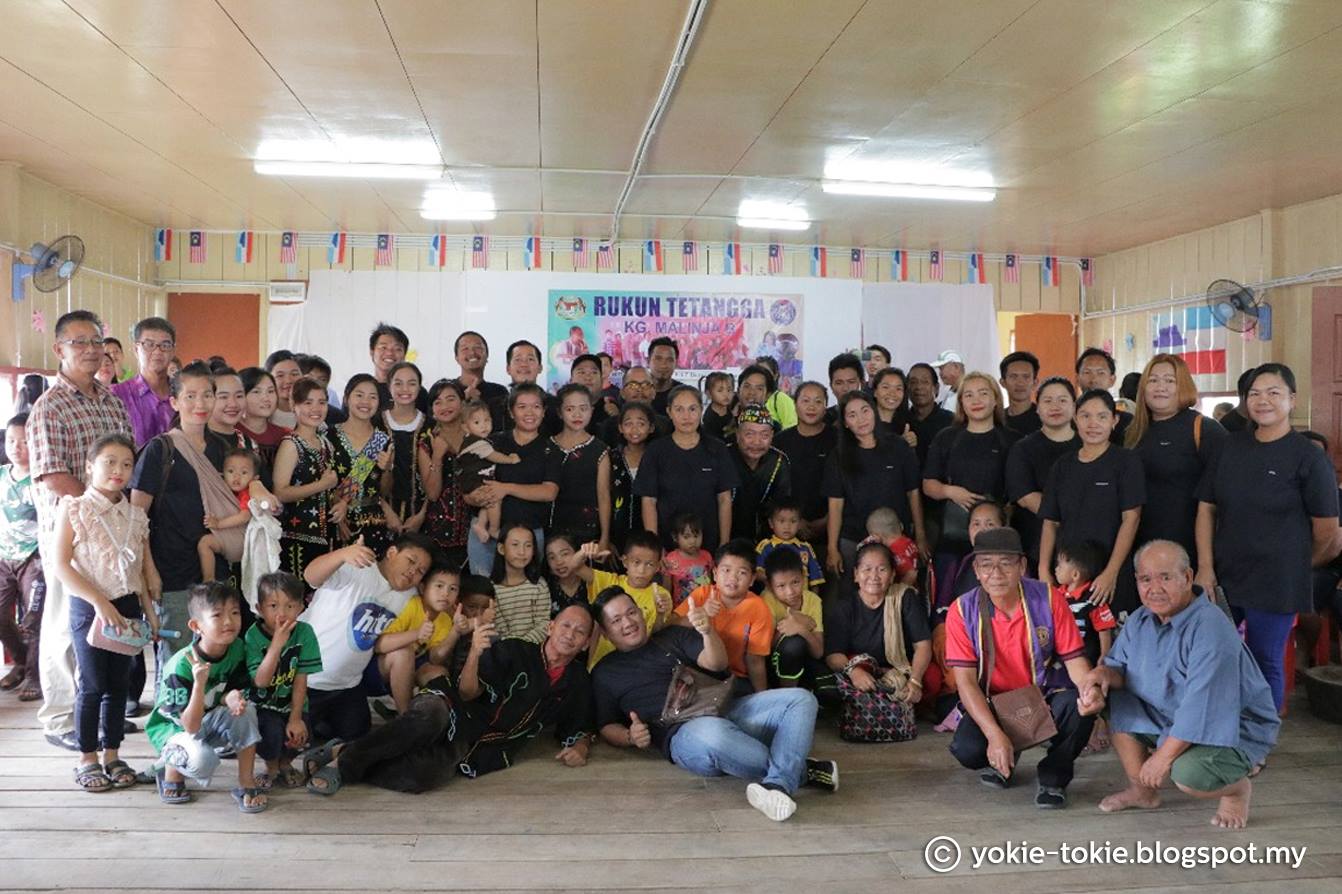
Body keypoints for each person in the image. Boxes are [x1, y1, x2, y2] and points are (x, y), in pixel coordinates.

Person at [592, 586, 836, 822]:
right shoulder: (605, 672)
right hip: (683, 733)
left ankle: (778, 785)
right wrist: (629, 737)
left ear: (640, 611)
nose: (628, 623)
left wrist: (708, 631)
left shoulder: (671, 637)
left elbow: (716, 663)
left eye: (631, 612)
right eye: (616, 620)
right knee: (715, 735)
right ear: (604, 632)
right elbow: (605, 725)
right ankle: (799, 769)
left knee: (801, 699)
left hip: (728, 708)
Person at [1087, 541, 1280, 830]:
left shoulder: (1210, 627)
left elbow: (1202, 706)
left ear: (1188, 577)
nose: (1154, 588)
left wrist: (1162, 757)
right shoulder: (1140, 619)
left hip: (1232, 728)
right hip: (1170, 714)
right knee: (1111, 697)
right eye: (1145, 579)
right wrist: (1100, 677)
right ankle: (1143, 792)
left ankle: (1236, 790)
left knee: (1189, 774)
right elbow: (1120, 670)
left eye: (1165, 577)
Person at [307, 604, 595, 795]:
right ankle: (343, 767)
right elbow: (469, 693)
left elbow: (577, 727)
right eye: (566, 626)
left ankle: (344, 751)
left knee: (421, 777)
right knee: (430, 715)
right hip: (455, 705)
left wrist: (580, 747)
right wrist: (474, 654)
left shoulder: (577, 679)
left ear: (585, 644)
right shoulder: (515, 650)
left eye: (580, 632)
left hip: (482, 744)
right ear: (550, 627)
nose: (570, 635)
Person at [1195, 363, 1342, 712]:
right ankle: (1221, 728)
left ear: (1292, 399)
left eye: (1273, 393)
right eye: (1255, 394)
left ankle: (1259, 741)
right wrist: (1205, 567)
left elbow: (1327, 531)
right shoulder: (1230, 447)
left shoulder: (1307, 457)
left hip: (1276, 582)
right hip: (1226, 574)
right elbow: (1206, 508)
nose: (1263, 401)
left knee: (1266, 660)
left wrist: (1295, 564)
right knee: (1217, 657)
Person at [27, 310, 133, 751]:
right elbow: (53, 474)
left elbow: (128, 455)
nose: (90, 350)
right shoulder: (49, 405)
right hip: (70, 534)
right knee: (63, 628)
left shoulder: (110, 400)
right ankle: (60, 718)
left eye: (96, 341)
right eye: (79, 343)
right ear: (59, 350)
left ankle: (101, 715)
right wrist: (95, 512)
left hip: (113, 531)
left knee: (104, 623)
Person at [944, 528, 1105, 808]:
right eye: (986, 564)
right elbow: (966, 683)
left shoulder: (1049, 599)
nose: (996, 573)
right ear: (976, 570)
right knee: (967, 750)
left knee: (1080, 705)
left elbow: (1076, 663)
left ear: (1022, 566)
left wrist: (1089, 691)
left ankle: (1054, 777)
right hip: (996, 703)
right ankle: (1004, 753)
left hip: (1045, 696)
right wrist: (994, 735)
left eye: (1006, 563)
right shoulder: (961, 611)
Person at [53, 433, 159, 791]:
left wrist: (150, 612)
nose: (118, 470)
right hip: (89, 606)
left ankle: (112, 754)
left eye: (126, 464)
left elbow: (143, 570)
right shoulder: (74, 508)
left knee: (119, 684)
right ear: (89, 466)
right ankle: (87, 758)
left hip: (128, 605)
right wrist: (99, 602)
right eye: (109, 462)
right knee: (92, 684)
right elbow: (61, 565)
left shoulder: (135, 515)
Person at [299, 532, 432, 742]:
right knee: (294, 739)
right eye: (410, 561)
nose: (412, 572)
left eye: (420, 571)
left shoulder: (409, 596)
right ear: (391, 552)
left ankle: (405, 724)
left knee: (358, 738)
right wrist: (342, 554)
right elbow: (310, 576)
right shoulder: (359, 565)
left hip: (348, 685)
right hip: (306, 680)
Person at [146, 582, 265, 811]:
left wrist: (231, 697)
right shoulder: (181, 665)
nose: (229, 621)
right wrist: (199, 683)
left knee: (246, 710)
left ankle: (246, 783)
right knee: (202, 762)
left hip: (208, 718)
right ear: (196, 625)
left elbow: (228, 690)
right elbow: (189, 726)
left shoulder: (237, 648)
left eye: (234, 613)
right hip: (175, 729)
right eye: (217, 615)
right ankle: (171, 773)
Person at [1038, 389, 1146, 616]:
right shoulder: (1062, 466)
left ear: (1114, 421)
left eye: (1102, 416)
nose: (1093, 423)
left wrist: (1111, 572)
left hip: (1109, 570)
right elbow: (1050, 522)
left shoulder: (1126, 462)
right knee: (1072, 640)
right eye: (1085, 416)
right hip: (1069, 576)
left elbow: (1131, 519)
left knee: (1111, 639)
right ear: (1075, 419)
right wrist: (1043, 570)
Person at [923, 371, 1019, 607]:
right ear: (961, 403)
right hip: (953, 534)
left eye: (983, 393)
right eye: (969, 395)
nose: (976, 400)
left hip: (997, 536)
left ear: (996, 399)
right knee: (949, 603)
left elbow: (1019, 491)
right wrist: (950, 491)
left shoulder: (1011, 440)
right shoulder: (947, 437)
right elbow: (928, 485)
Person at [1125, 354, 1227, 562]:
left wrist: (1207, 563)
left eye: (1170, 381)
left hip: (1189, 549)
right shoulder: (1132, 431)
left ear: (1183, 386)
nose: (1160, 387)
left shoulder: (1205, 429)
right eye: (1153, 380)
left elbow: (1223, 496)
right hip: (1139, 547)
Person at [824, 542, 931, 728]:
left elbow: (922, 644)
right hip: (864, 668)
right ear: (856, 574)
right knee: (837, 684)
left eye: (882, 569)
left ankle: (906, 705)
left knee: (933, 679)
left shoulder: (905, 598)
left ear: (892, 576)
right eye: (867, 569)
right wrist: (854, 672)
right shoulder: (844, 607)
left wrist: (915, 680)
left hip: (901, 667)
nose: (874, 576)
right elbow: (834, 654)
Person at [824, 391, 926, 584]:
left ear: (874, 412)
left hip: (896, 540)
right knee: (854, 597)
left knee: (899, 595)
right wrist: (832, 548)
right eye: (852, 415)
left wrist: (920, 535)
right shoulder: (838, 456)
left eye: (865, 411)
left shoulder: (898, 447)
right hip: (854, 538)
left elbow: (913, 492)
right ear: (845, 423)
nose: (861, 419)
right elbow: (835, 506)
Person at [466, 384, 561, 576]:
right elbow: (468, 480)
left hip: (528, 534)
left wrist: (506, 488)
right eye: (522, 406)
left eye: (536, 406)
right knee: (482, 593)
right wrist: (475, 496)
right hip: (485, 533)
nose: (529, 412)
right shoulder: (492, 442)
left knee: (523, 593)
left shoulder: (551, 448)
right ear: (511, 412)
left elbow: (549, 492)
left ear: (544, 412)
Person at [244, 571, 322, 790]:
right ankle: (271, 767)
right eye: (273, 606)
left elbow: (300, 678)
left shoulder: (305, 632)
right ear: (259, 608)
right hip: (262, 705)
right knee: (270, 732)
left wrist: (296, 717)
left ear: (301, 608)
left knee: (302, 732)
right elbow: (260, 681)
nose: (282, 614)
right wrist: (277, 645)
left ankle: (286, 764)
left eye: (290, 606)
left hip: (291, 703)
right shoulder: (252, 636)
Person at [637, 385, 738, 552]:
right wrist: (655, 546)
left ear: (701, 410)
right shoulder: (656, 451)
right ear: (669, 412)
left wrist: (724, 543)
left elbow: (724, 499)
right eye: (679, 409)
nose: (686, 416)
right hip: (667, 544)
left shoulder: (716, 449)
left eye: (692, 409)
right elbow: (648, 501)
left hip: (708, 544)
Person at [676, 539, 775, 694]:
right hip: (698, 670)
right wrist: (701, 612)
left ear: (752, 579)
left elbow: (755, 661)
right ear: (715, 573)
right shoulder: (702, 595)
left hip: (734, 677)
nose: (733, 578)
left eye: (742, 572)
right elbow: (673, 625)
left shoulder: (759, 608)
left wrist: (761, 697)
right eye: (726, 570)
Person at [1005, 377, 1081, 566]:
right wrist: (1071, 519)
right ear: (1037, 408)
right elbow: (1025, 496)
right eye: (1047, 401)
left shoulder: (1088, 444)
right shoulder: (1023, 448)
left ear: (1074, 407)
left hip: (1085, 542)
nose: (1055, 406)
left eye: (1063, 400)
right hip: (1035, 543)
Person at [273, 379, 339, 581]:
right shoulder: (291, 444)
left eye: (322, 402)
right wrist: (322, 485)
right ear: (294, 405)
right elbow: (280, 492)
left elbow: (332, 487)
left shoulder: (326, 443)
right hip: (296, 537)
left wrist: (340, 503)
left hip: (326, 536)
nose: (316, 408)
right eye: (308, 403)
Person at [575, 531, 673, 666]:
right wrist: (584, 552)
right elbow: (574, 567)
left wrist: (661, 615)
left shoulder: (661, 595)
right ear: (625, 562)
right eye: (636, 562)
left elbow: (656, 635)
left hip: (637, 665)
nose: (641, 570)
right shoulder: (608, 581)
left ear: (657, 567)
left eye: (649, 564)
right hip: (602, 663)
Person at [0, 414, 44, 701]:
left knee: (34, 617)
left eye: (24, 441)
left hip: (35, 557)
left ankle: (34, 674)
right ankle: (19, 659)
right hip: (4, 556)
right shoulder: (2, 475)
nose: (17, 447)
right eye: (11, 441)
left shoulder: (42, 479)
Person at [375, 563, 458, 714]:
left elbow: (435, 659)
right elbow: (379, 645)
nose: (446, 594)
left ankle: (427, 714)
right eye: (439, 586)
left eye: (453, 589)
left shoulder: (445, 619)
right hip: (380, 668)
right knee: (403, 653)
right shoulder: (411, 605)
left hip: (413, 666)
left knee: (439, 673)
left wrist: (456, 631)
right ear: (422, 588)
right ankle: (405, 716)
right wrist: (417, 633)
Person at [326, 374, 394, 553]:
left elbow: (385, 491)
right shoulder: (328, 436)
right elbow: (322, 482)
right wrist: (338, 510)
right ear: (347, 398)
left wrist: (387, 469)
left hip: (373, 522)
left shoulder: (383, 440)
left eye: (373, 397)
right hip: (337, 520)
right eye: (359, 395)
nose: (366, 401)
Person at [774, 382, 836, 554]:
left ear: (825, 407)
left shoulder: (837, 440)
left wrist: (826, 521)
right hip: (786, 532)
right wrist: (794, 521)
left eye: (818, 401)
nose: (811, 407)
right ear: (795, 404)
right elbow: (775, 488)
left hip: (831, 530)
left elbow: (847, 486)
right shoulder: (780, 441)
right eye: (805, 400)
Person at [417, 379, 471, 569]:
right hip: (439, 534)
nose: (445, 406)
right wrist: (438, 456)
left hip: (476, 532)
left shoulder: (477, 438)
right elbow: (432, 493)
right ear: (432, 410)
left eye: (451, 399)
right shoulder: (427, 443)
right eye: (438, 402)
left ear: (462, 403)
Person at [550, 384, 611, 547]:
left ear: (591, 410)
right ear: (559, 413)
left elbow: (604, 497)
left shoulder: (600, 450)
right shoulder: (547, 446)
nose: (577, 415)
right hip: (549, 528)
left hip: (586, 531)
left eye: (583, 408)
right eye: (570, 409)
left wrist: (605, 537)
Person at [196, 448, 270, 583]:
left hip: (242, 541)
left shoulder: (247, 493)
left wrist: (218, 524)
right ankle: (209, 580)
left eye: (244, 473)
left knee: (205, 542)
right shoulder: (222, 488)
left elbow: (244, 516)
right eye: (230, 471)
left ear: (255, 478)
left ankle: (209, 580)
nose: (236, 477)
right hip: (229, 539)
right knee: (204, 543)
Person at [455, 399, 521, 545]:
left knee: (488, 501)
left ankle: (480, 524)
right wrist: (510, 459)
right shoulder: (477, 443)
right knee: (494, 499)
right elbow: (493, 456)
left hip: (475, 480)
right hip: (474, 481)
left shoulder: (479, 440)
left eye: (487, 420)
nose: (484, 425)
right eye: (477, 423)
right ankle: (493, 528)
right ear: (466, 427)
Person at [760, 549, 826, 690]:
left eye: (795, 582)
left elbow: (818, 652)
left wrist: (800, 629)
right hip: (774, 665)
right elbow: (764, 649)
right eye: (781, 586)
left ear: (803, 577)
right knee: (793, 644)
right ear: (770, 586)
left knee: (830, 692)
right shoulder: (767, 599)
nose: (790, 592)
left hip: (804, 661)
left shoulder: (813, 600)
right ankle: (787, 694)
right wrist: (785, 628)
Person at [728, 403, 791, 543]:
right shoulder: (724, 457)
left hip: (767, 539)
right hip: (727, 536)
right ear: (737, 434)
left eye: (764, 435)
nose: (757, 442)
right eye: (749, 434)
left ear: (772, 436)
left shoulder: (779, 461)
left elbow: (782, 506)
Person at [110, 317, 177, 448]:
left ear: (173, 350)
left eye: (165, 345)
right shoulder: (117, 395)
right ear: (136, 349)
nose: (158, 351)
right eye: (149, 344)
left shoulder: (183, 393)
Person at [381, 361, 428, 536]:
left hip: (423, 518)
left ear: (419, 387)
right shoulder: (376, 424)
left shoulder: (431, 427)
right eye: (398, 383)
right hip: (380, 515)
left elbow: (440, 477)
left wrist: (422, 514)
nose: (405, 389)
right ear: (389, 386)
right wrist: (386, 510)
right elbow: (363, 474)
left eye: (412, 383)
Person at [1052, 540, 1116, 667]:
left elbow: (1104, 629)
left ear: (1075, 575)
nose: (1055, 569)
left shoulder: (1094, 597)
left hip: (1087, 657)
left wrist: (1105, 654)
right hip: (1060, 656)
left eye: (1060, 566)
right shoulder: (1055, 595)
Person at [490, 524, 551, 644]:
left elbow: (543, 625)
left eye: (528, 545)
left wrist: (520, 646)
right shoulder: (491, 587)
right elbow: (496, 627)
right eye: (515, 545)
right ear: (501, 549)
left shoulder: (539, 585)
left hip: (532, 650)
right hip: (502, 651)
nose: (522, 552)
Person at [608, 400, 654, 551]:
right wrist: (605, 538)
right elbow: (602, 497)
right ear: (620, 427)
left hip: (651, 535)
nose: (635, 429)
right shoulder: (610, 457)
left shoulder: (658, 457)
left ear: (651, 427)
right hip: (617, 535)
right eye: (628, 423)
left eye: (641, 423)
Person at [489, 340, 562, 435]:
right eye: (518, 360)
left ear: (540, 367)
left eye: (530, 359)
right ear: (508, 369)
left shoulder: (554, 405)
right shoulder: (493, 407)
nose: (524, 364)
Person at [755, 498, 824, 591]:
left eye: (793, 521)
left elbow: (815, 579)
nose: (787, 526)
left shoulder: (806, 548)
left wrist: (814, 602)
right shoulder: (765, 547)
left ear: (800, 524)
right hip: (772, 600)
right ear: (771, 523)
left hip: (801, 601)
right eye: (781, 521)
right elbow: (756, 573)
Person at [1076, 347, 1132, 444]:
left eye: (1101, 373)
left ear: (1112, 380)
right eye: (1087, 372)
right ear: (1077, 379)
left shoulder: (1127, 422)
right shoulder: (1068, 419)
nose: (1094, 379)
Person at [236, 367, 289, 468]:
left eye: (270, 391)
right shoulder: (232, 433)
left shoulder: (285, 436)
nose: (266, 398)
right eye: (256, 392)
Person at [369, 323, 428, 413]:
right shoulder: (361, 390)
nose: (389, 353)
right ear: (372, 352)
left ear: (404, 355)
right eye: (383, 347)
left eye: (397, 349)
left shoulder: (416, 392)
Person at [905, 362, 952, 468]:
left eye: (925, 382)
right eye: (913, 382)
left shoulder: (952, 422)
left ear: (936, 388)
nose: (918, 387)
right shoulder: (900, 421)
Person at [662, 512, 713, 607]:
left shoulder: (707, 556)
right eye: (686, 537)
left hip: (704, 608)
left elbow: (709, 583)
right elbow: (666, 588)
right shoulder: (671, 559)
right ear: (675, 537)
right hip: (680, 610)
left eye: (696, 536)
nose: (693, 541)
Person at [863, 507, 919, 586]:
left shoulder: (896, 550)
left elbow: (911, 574)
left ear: (877, 537)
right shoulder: (907, 541)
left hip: (903, 592)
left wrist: (897, 592)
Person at [453, 331, 509, 406]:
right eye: (465, 348)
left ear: (486, 356)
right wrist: (464, 400)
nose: (472, 353)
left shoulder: (499, 392)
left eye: (478, 347)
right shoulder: (445, 390)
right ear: (457, 358)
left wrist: (478, 402)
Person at [543, 532, 589, 617]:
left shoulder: (591, 582)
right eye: (552, 557)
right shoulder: (545, 588)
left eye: (564, 554)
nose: (559, 562)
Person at [999, 351, 1041, 435]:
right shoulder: (996, 419)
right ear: (1003, 382)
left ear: (1035, 383)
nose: (1020, 383)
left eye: (1026, 377)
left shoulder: (1046, 418)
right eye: (1013, 377)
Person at [299, 354, 346, 427]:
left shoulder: (336, 416)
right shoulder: (292, 411)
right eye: (310, 378)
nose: (316, 383)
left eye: (322, 379)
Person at [753, 356, 798, 431]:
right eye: (757, 372)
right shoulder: (752, 399)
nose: (762, 376)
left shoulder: (780, 399)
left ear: (775, 375)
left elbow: (792, 430)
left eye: (765, 371)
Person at [264, 350, 304, 430]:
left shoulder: (314, 411)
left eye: (294, 374)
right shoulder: (262, 415)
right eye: (280, 375)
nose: (288, 380)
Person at [871, 367, 913, 441]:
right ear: (875, 392)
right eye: (886, 387)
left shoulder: (906, 425)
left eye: (898, 389)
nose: (892, 393)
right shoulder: (866, 424)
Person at [823, 354, 864, 425]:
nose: (845, 388)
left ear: (861, 383)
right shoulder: (822, 419)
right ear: (831, 386)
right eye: (839, 383)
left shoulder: (872, 416)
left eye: (851, 382)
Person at [647, 336, 679, 415]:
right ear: (648, 360)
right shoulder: (635, 394)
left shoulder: (682, 394)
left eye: (669, 360)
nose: (663, 365)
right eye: (658, 359)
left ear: (676, 363)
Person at [701, 371, 735, 443]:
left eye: (729, 390)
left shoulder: (730, 410)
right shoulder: (710, 418)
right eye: (720, 390)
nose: (726, 394)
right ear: (709, 394)